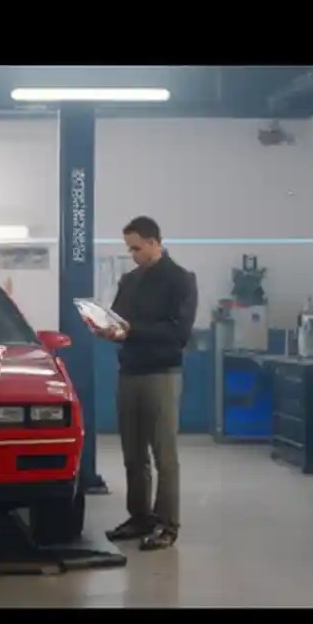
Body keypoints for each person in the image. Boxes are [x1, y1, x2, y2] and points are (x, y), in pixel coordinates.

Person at [91, 216, 197, 550]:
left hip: (161, 374)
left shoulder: (181, 280)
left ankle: (168, 524)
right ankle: (139, 518)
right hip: (130, 372)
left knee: (164, 455)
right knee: (133, 454)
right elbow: (120, 321)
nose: (133, 253)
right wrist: (107, 329)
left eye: (137, 248)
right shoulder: (130, 280)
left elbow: (178, 334)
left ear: (155, 242)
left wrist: (133, 331)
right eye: (129, 248)